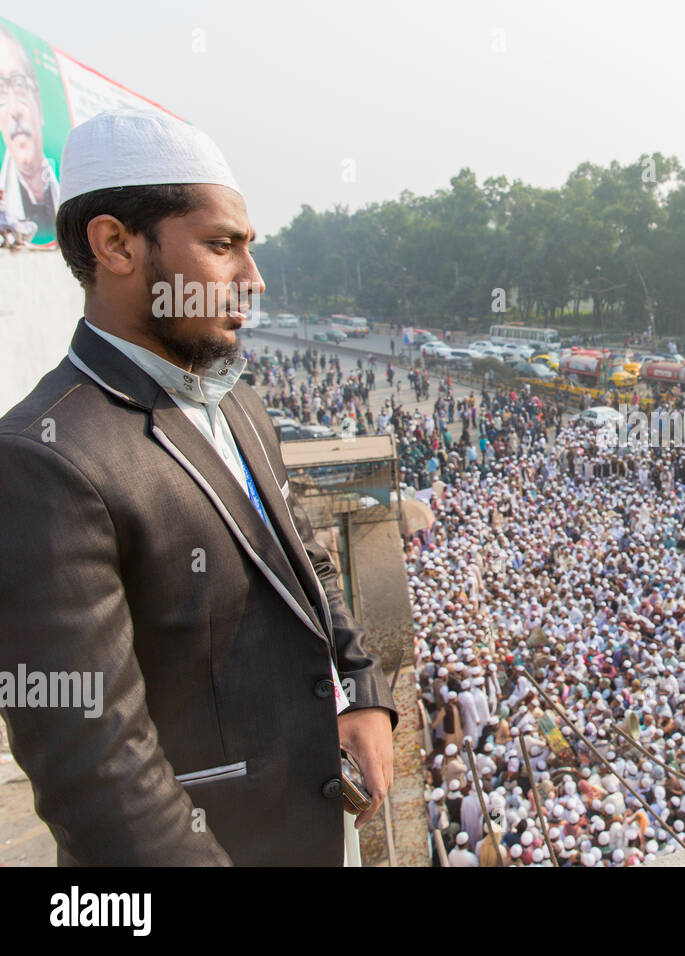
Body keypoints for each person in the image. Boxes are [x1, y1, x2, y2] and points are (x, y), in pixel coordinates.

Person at [0, 110, 396, 866]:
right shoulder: (42, 457)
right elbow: (97, 773)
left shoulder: (233, 401)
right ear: (116, 245)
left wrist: (362, 689)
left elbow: (303, 559)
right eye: (221, 246)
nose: (254, 280)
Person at [0, 23, 59, 242]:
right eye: (1, 92)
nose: (15, 110)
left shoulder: (63, 191)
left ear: (39, 104)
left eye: (19, 85)